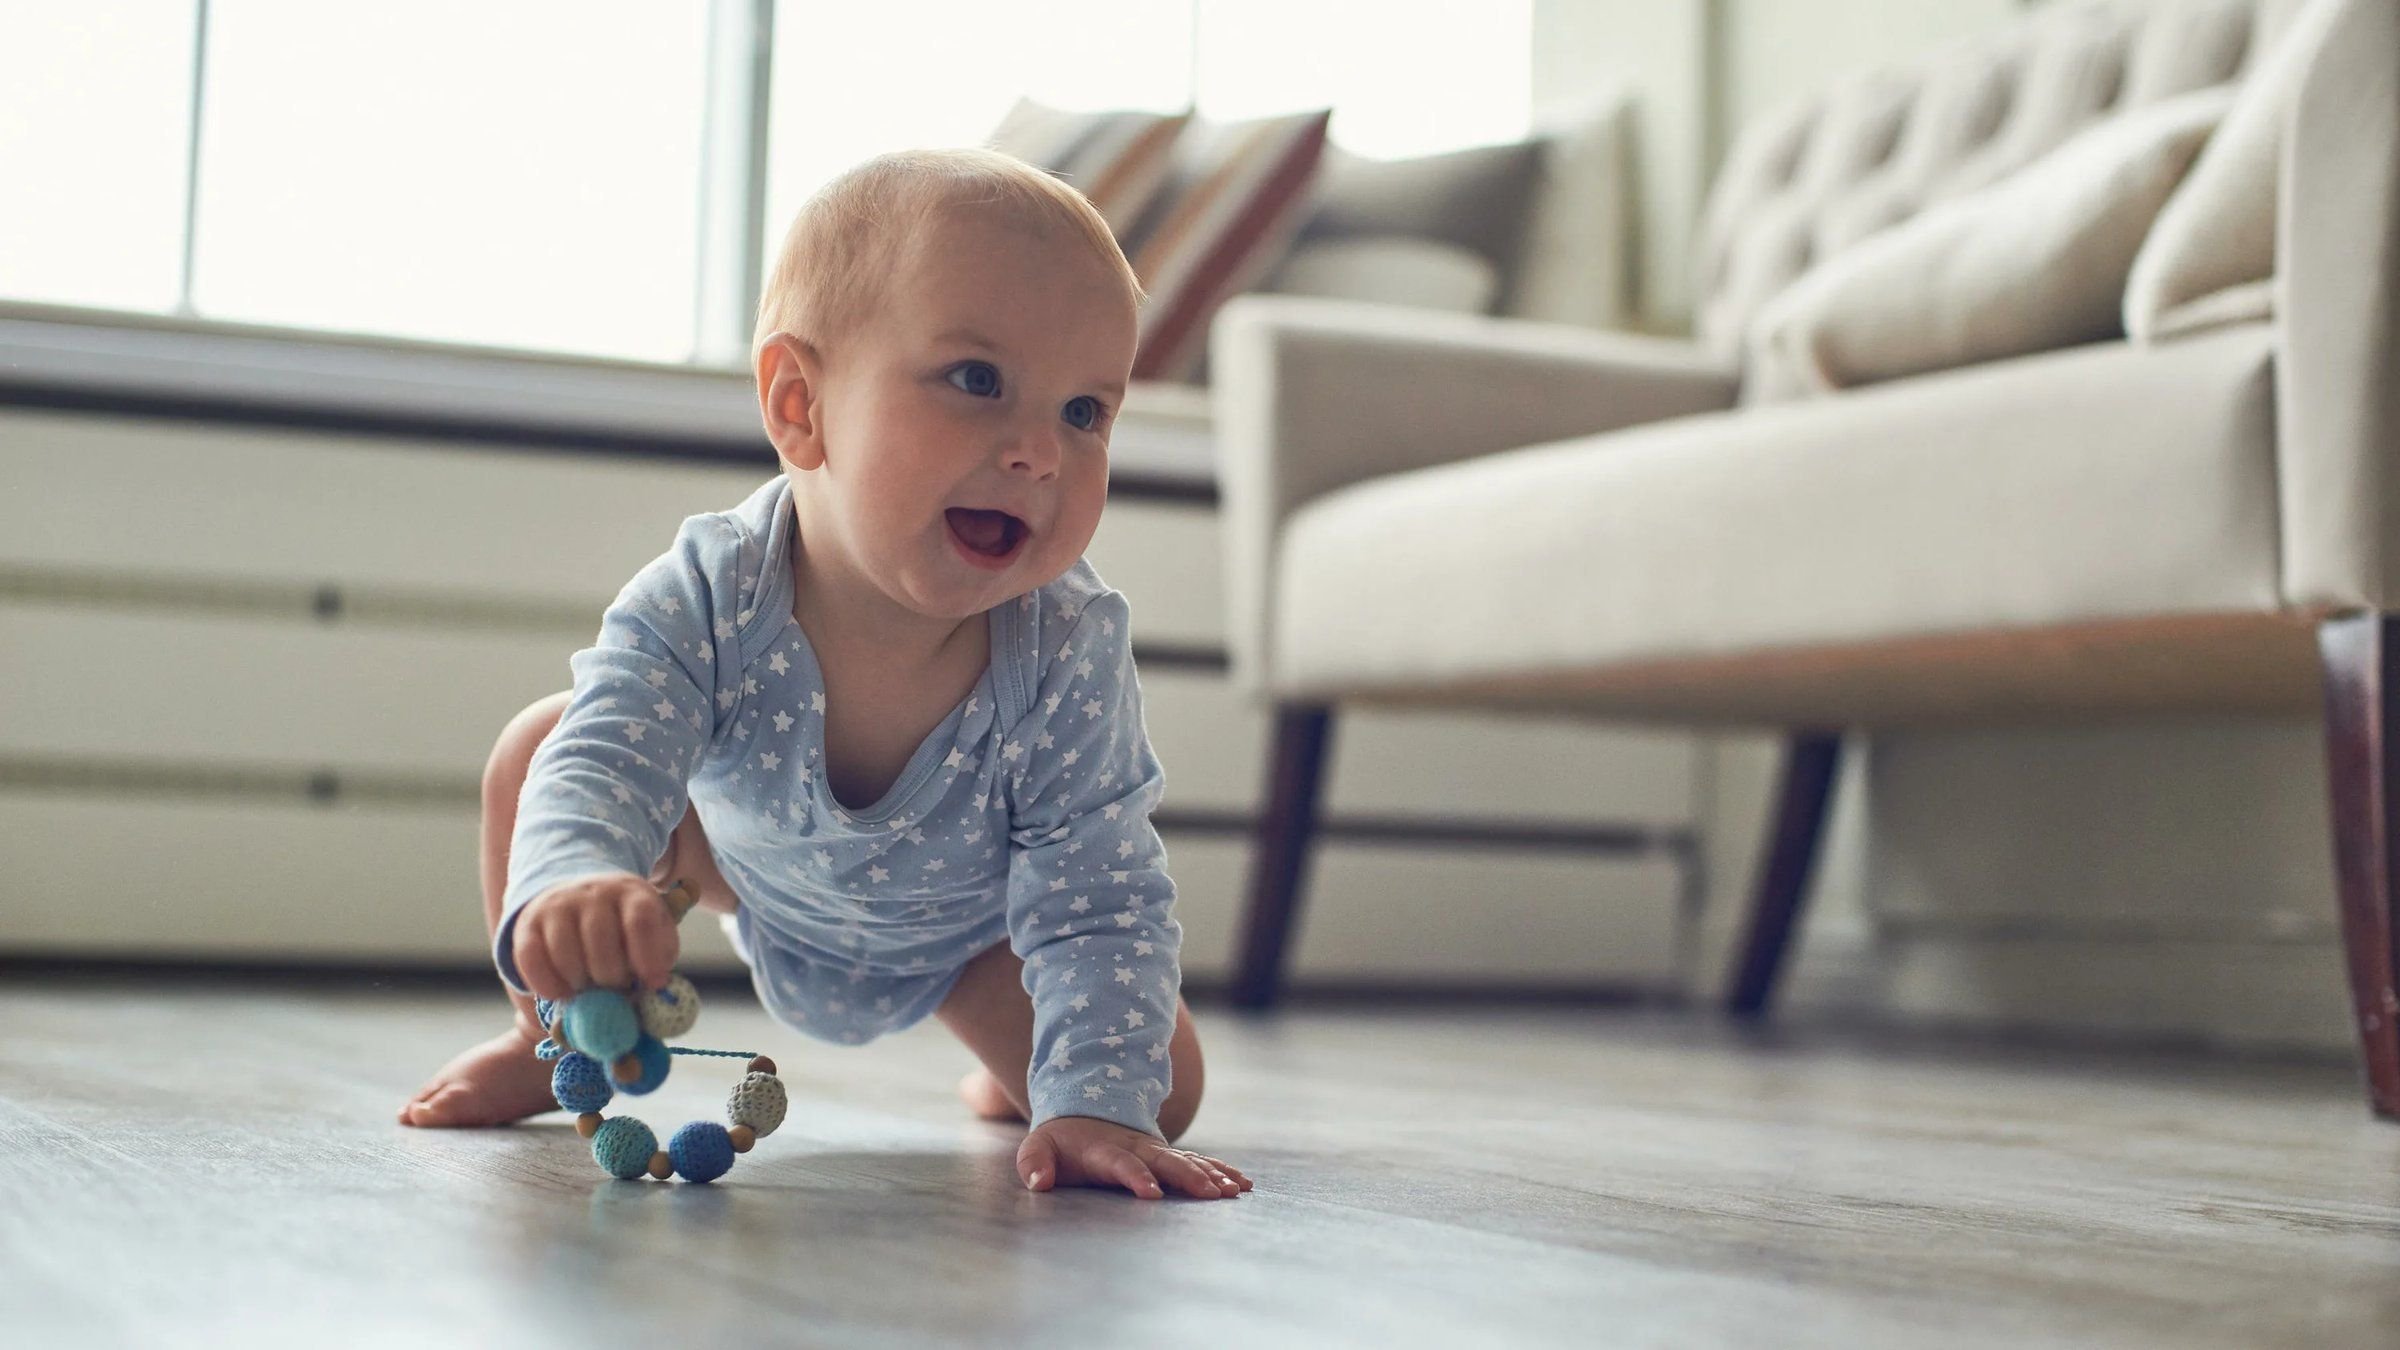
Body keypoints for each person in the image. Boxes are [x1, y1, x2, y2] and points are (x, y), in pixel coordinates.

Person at [398, 148, 1248, 1202]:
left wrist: (1092, 1100)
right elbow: (610, 751)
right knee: (541, 744)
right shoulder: (712, 593)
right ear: (800, 404)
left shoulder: (1066, 647)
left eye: (1086, 412)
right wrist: (578, 878)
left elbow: (1101, 893)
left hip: (972, 939)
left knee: (1156, 1093)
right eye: (977, 380)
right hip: (735, 865)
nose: (1039, 450)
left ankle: (1019, 1078)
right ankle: (552, 1037)